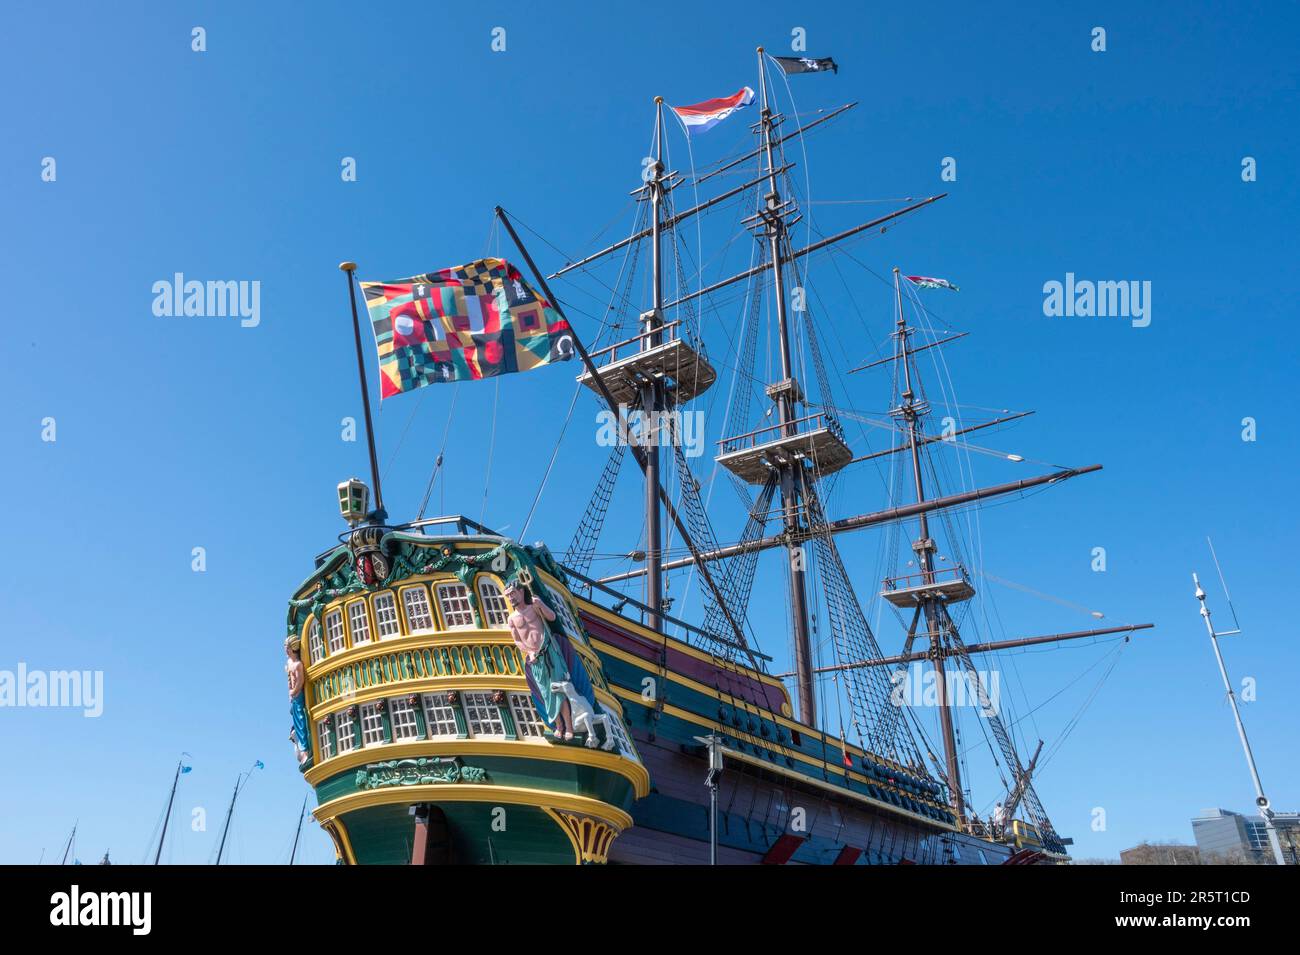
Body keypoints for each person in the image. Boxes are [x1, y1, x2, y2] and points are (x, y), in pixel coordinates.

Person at [506, 583, 574, 740]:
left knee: (559, 689)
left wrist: (541, 604)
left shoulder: (534, 606)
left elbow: (552, 617)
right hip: (535, 658)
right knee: (546, 692)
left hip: (549, 650)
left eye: (513, 593)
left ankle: (569, 727)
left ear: (521, 592)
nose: (511, 597)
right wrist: (529, 652)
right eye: (508, 595)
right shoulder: (512, 618)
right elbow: (517, 640)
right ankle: (559, 725)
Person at [285, 635, 310, 766]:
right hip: (293, 697)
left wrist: (294, 691)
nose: (286, 650)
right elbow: (290, 679)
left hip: (298, 695)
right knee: (295, 716)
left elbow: (300, 681)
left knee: (300, 719)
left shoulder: (298, 664)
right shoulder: (289, 663)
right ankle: (299, 744)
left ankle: (305, 750)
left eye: (287, 647)